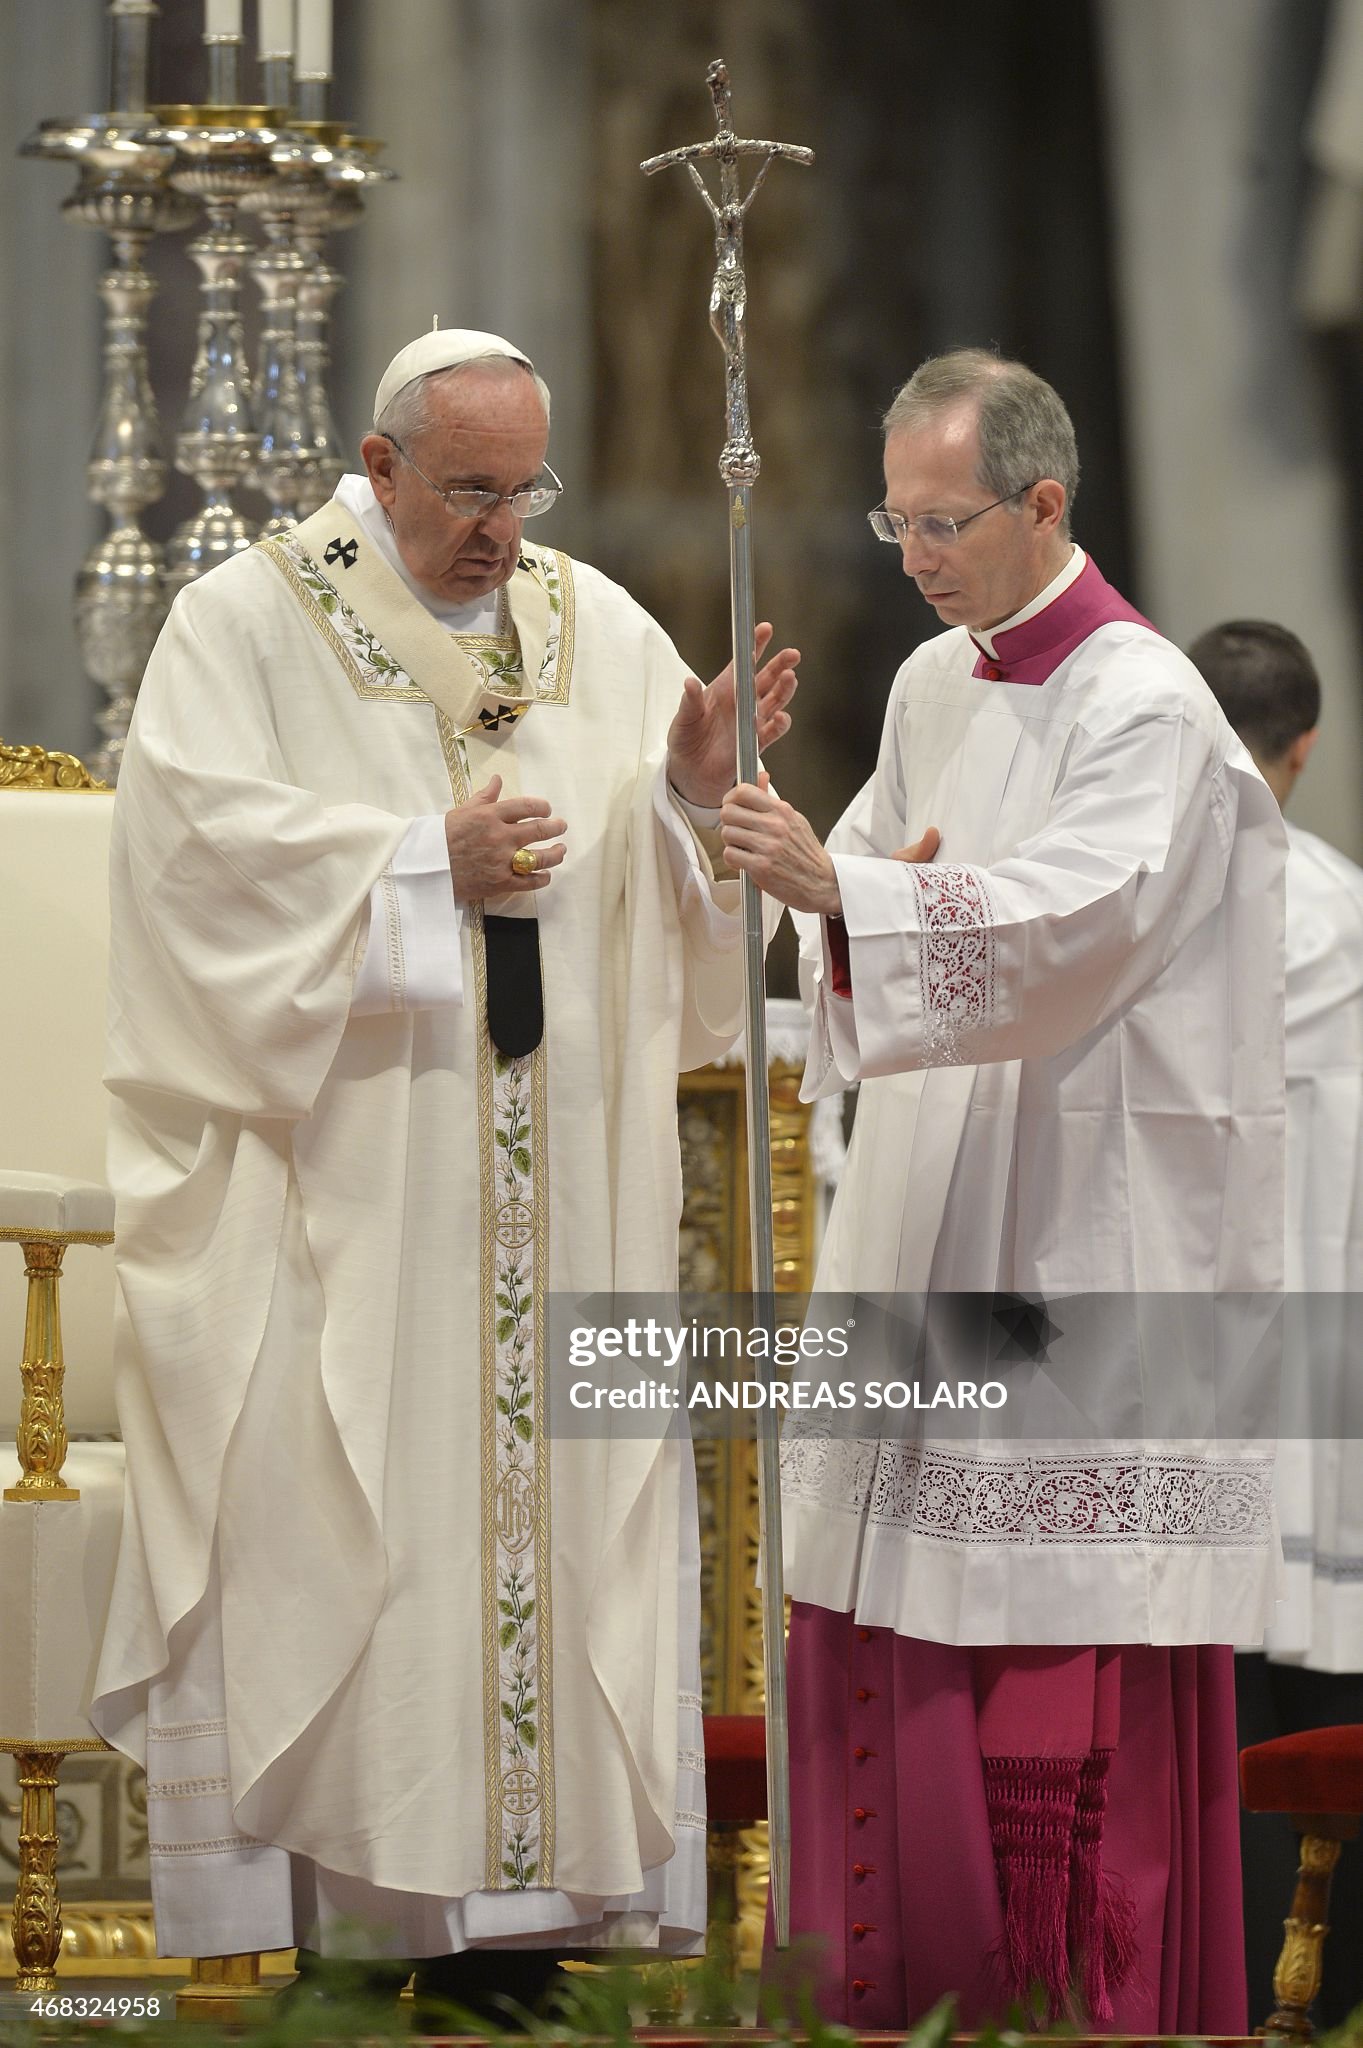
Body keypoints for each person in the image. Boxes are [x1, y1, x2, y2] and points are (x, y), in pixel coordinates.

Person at [91, 327, 798, 2019]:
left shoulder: (595, 623)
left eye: (526, 487)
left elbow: (684, 918)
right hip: (355, 1186)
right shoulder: (247, 623)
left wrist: (690, 801)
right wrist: (420, 866)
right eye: (471, 489)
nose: (502, 526)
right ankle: (360, 1931)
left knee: (563, 1526)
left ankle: (535, 1935)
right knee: (359, 1512)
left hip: (567, 1179)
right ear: (380, 462)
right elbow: (186, 867)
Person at [720, 350, 1285, 2033]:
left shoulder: (1147, 706)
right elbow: (861, 890)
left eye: (942, 522)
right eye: (892, 521)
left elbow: (1073, 923)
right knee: (893, 1609)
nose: (913, 555)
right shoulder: (932, 683)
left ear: (1046, 502)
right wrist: (771, 849)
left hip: (1079, 1227)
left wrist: (860, 902)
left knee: (1049, 1644)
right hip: (935, 1209)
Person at [1190, 618, 1363, 2029]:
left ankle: (1206, 1981)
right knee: (1327, 1705)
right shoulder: (1350, 918)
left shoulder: (1131, 906)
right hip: (1333, 1384)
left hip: (1174, 1381)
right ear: (1306, 745)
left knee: (1211, 1702)